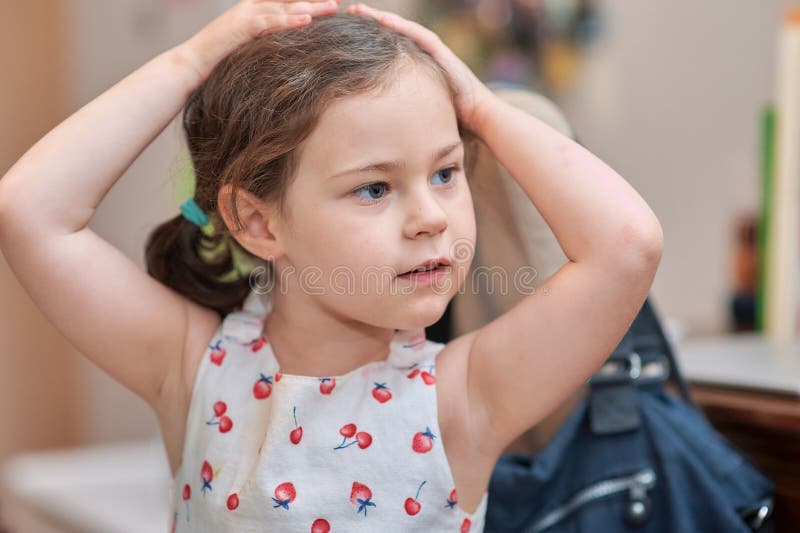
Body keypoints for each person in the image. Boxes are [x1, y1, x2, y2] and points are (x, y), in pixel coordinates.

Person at [0, 1, 663, 531]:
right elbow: (29, 210)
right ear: (259, 222)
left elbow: (627, 247)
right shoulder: (194, 370)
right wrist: (189, 60)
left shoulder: (461, 399)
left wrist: (483, 108)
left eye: (445, 172)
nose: (430, 216)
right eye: (374, 188)